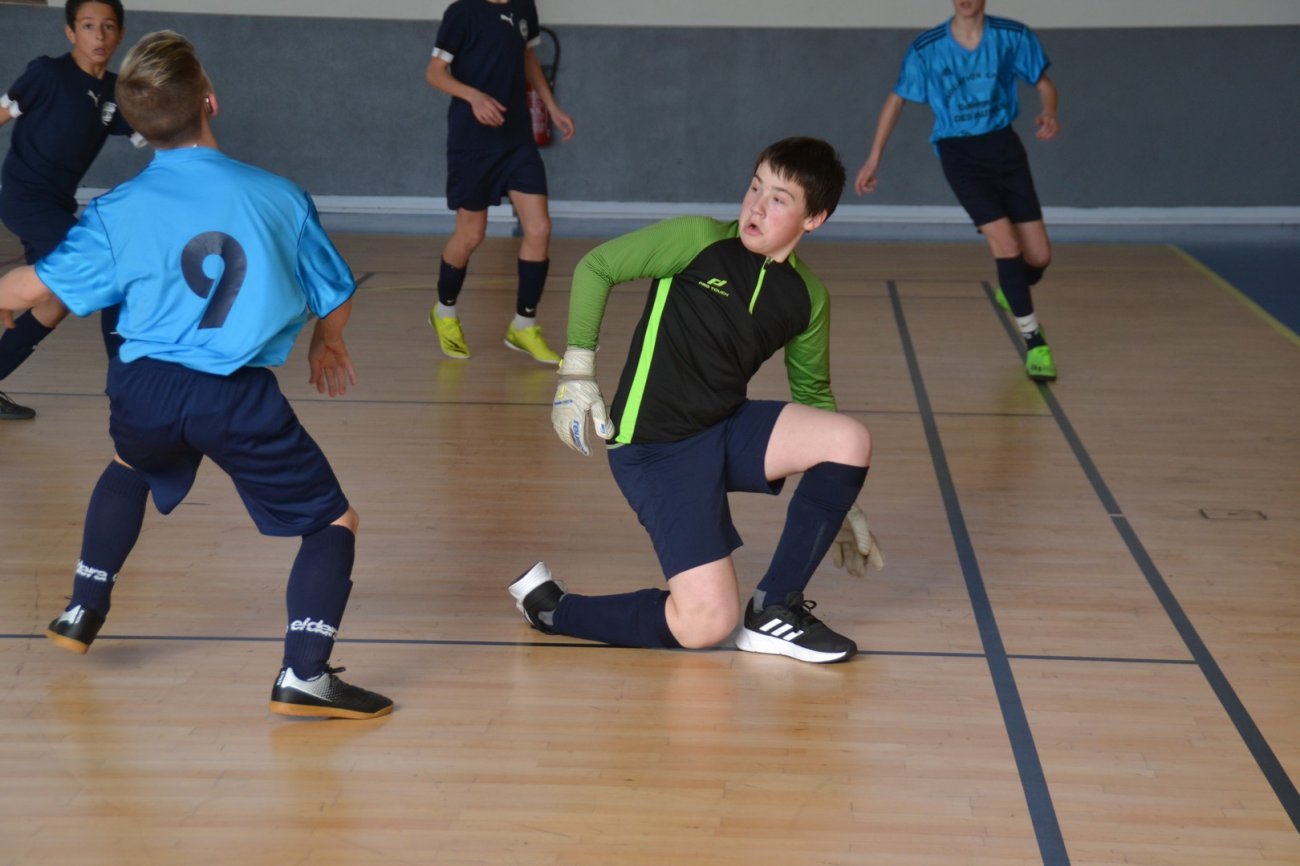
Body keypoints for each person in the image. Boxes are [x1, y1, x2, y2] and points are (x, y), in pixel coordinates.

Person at [0, 31, 392, 720]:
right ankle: (304, 672)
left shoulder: (116, 211)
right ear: (209, 101)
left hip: (141, 387)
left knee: (130, 462)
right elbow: (335, 288)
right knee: (333, 520)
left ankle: (83, 607)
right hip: (233, 397)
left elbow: (31, 293)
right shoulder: (278, 196)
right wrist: (327, 340)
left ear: (140, 130)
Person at [509, 137, 885, 665]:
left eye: (779, 199)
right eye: (755, 187)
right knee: (706, 624)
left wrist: (839, 501)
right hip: (655, 451)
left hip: (723, 428)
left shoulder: (807, 297)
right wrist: (576, 369)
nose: (756, 205)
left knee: (847, 439)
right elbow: (597, 266)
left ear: (814, 218)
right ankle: (553, 610)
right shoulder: (697, 239)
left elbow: (814, 394)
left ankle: (776, 608)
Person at [854, 0, 1061, 381]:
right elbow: (896, 99)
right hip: (959, 153)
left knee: (1039, 255)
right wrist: (873, 158)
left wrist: (1049, 111)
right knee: (1007, 247)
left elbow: (1045, 85)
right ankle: (1035, 343)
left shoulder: (1012, 36)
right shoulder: (927, 47)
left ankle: (1013, 288)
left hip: (1005, 147)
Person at [0, 0, 147, 420]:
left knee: (54, 301)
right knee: (111, 269)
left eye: (107, 27)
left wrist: (195, 108)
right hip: (25, 199)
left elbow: (160, 131)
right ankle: (128, 393)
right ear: (70, 32)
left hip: (58, 204)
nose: (98, 37)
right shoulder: (47, 74)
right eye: (87, 26)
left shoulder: (118, 93)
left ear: (119, 35)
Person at [424, 0, 575, 363]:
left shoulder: (525, 7)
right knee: (471, 235)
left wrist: (551, 106)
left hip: (517, 141)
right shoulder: (463, 12)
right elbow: (435, 72)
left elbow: (527, 58)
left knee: (539, 228)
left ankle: (524, 325)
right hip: (472, 143)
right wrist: (473, 96)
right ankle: (444, 312)